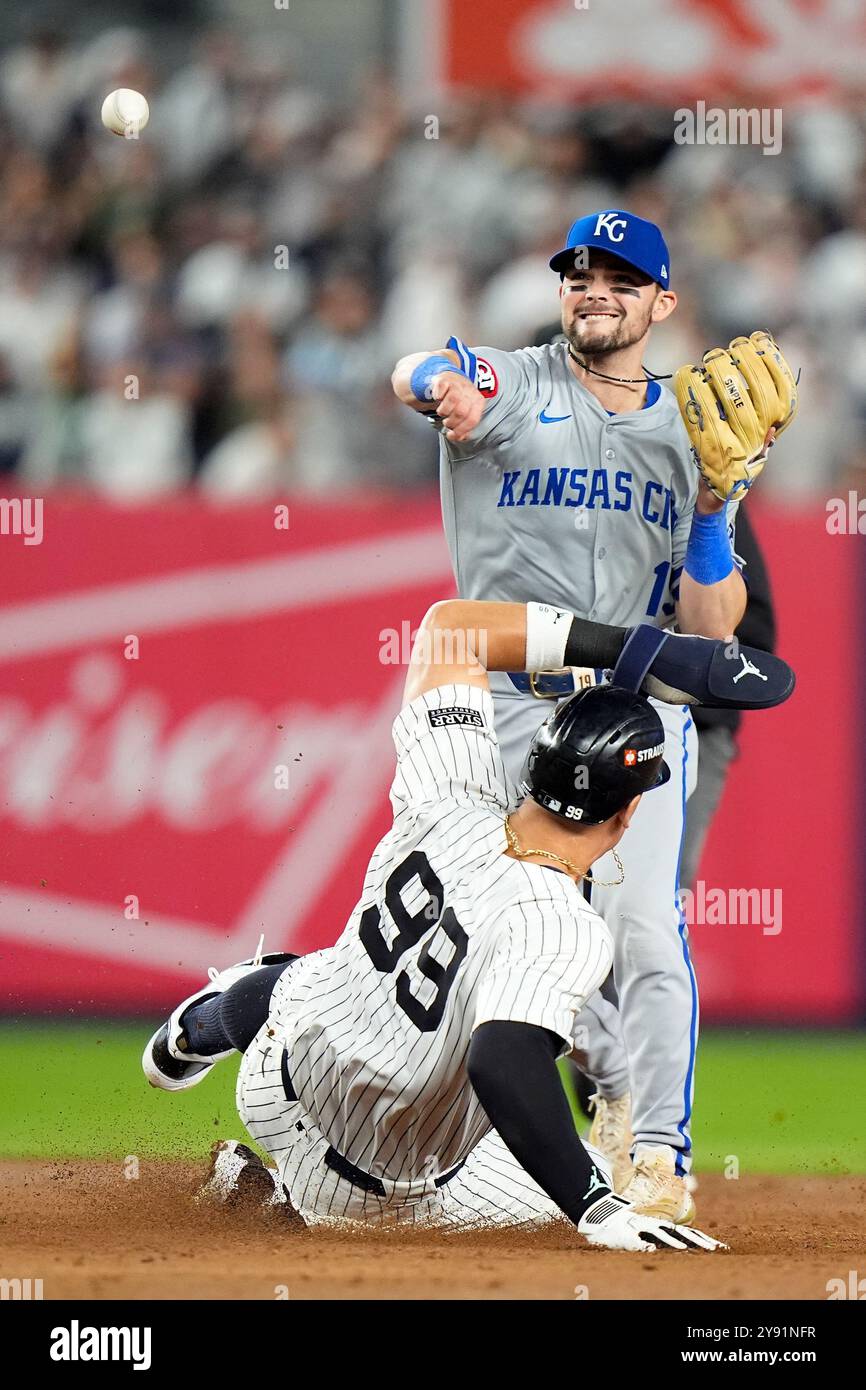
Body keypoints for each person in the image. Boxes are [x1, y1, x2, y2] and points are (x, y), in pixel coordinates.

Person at [142, 598, 769, 1251]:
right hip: (373, 1185)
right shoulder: (563, 925)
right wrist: (595, 1210)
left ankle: (210, 1023)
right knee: (574, 1188)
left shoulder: (451, 790)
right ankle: (275, 1201)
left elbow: (451, 629)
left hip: (275, 1075)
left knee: (322, 982)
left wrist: (638, 651)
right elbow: (502, 1060)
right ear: (628, 813)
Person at [390, 209, 792, 1220]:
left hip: (634, 708)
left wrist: (712, 507)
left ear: (661, 301)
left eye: (620, 276)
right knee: (498, 944)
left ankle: (654, 1153)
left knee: (646, 932)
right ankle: (588, 1092)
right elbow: (414, 368)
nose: (594, 288)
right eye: (579, 272)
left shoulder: (692, 428)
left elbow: (710, 630)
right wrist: (440, 388)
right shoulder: (508, 381)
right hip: (495, 712)